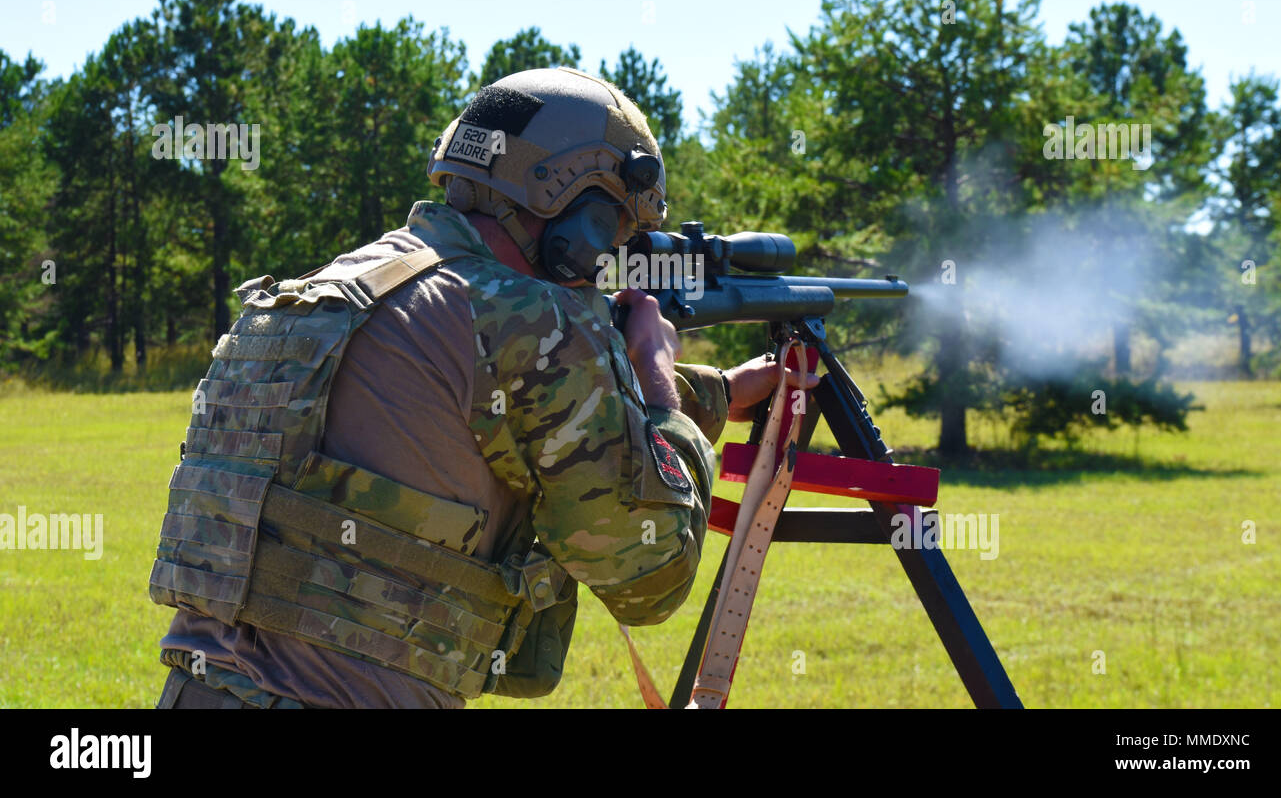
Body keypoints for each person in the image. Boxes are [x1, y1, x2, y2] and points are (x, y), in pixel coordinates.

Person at [149, 66, 810, 708]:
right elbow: (652, 575)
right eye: (615, 228)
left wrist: (715, 391)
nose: (612, 256)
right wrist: (658, 376)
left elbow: (478, 417)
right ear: (572, 213)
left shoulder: (341, 291)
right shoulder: (531, 319)